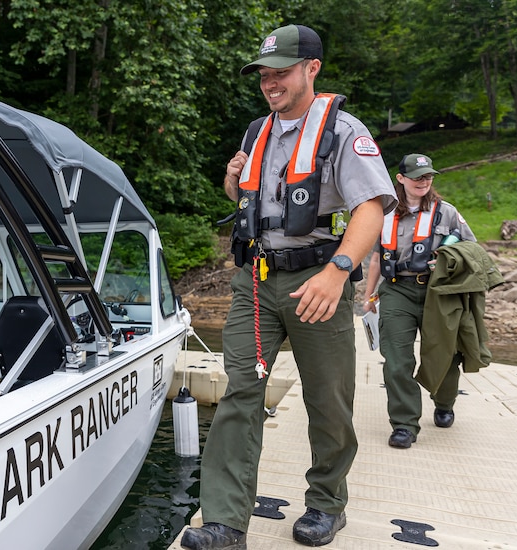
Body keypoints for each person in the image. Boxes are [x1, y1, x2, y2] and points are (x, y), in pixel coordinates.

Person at [181, 24, 397, 550]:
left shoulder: (343, 131)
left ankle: (327, 504)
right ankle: (225, 522)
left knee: (329, 399)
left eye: (280, 71)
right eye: (263, 74)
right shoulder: (256, 132)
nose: (270, 82)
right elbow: (249, 201)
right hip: (254, 281)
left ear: (311, 68)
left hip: (316, 279)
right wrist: (232, 181)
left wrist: (338, 271)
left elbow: (372, 208)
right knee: (240, 393)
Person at [362, 153, 476, 449]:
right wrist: (369, 296)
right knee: (396, 360)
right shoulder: (384, 213)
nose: (423, 182)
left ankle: (444, 402)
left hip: (437, 293)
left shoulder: (447, 212)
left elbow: (471, 248)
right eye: (417, 177)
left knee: (445, 356)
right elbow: (376, 258)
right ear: (400, 179)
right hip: (396, 290)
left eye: (428, 176)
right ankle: (404, 424)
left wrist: (449, 259)